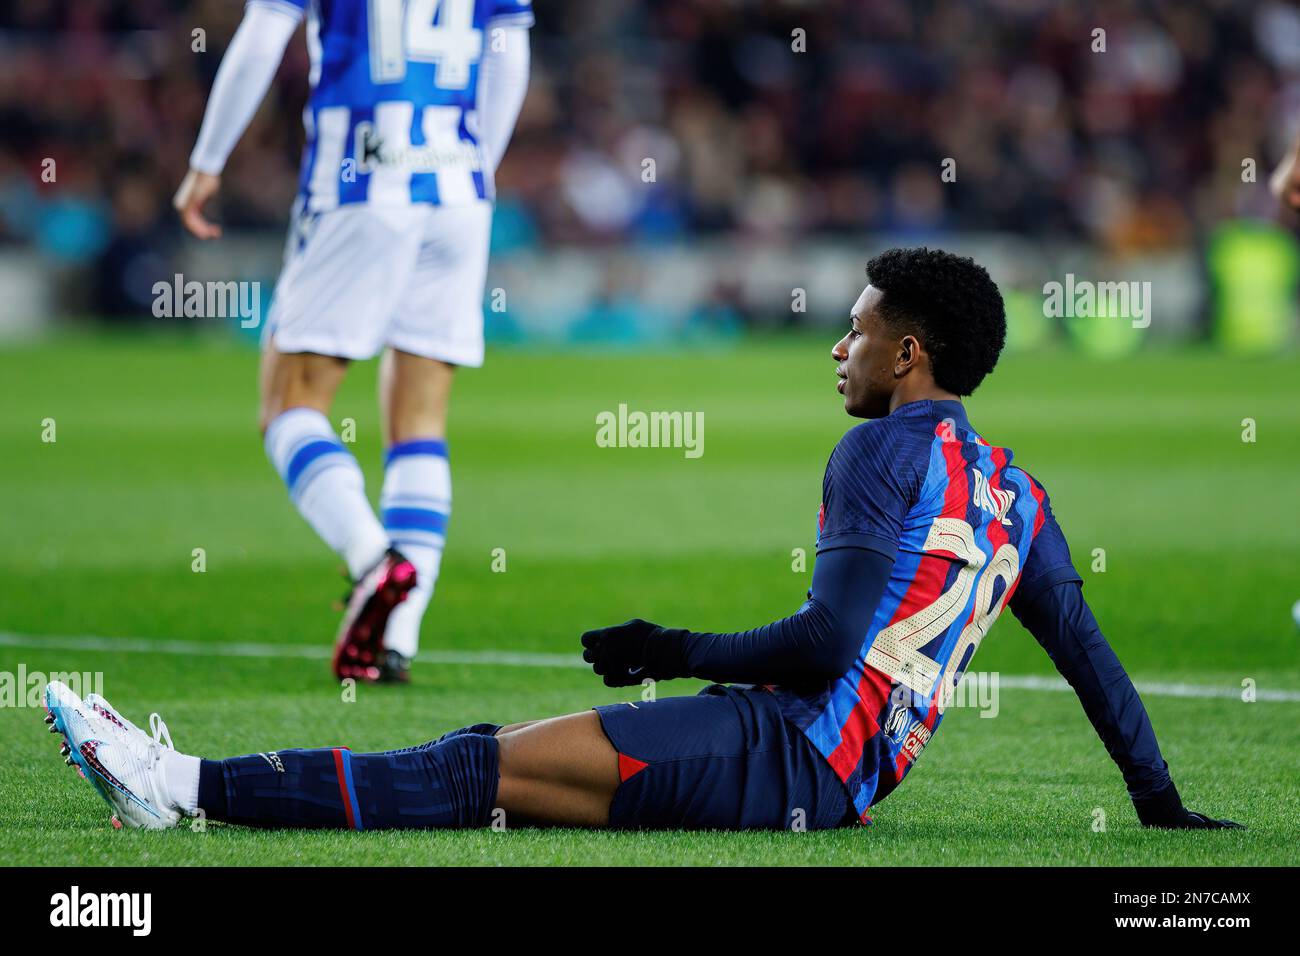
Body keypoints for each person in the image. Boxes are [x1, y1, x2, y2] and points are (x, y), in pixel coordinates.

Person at [43, 249, 1242, 832]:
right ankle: (186, 781)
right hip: (819, 770)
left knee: (474, 774)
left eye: (857, 328)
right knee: (487, 752)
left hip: (790, 755)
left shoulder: (880, 452)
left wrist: (666, 642)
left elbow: (828, 641)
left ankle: (174, 784)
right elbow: (1084, 649)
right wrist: (1156, 800)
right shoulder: (1014, 492)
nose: (839, 345)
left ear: (909, 354)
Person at [173, 0, 533, 683]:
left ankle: (373, 559)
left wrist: (206, 162)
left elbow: (260, 38)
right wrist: (474, 165)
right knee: (420, 419)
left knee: (288, 404)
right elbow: (508, 55)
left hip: (361, 179)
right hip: (458, 188)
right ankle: (396, 639)